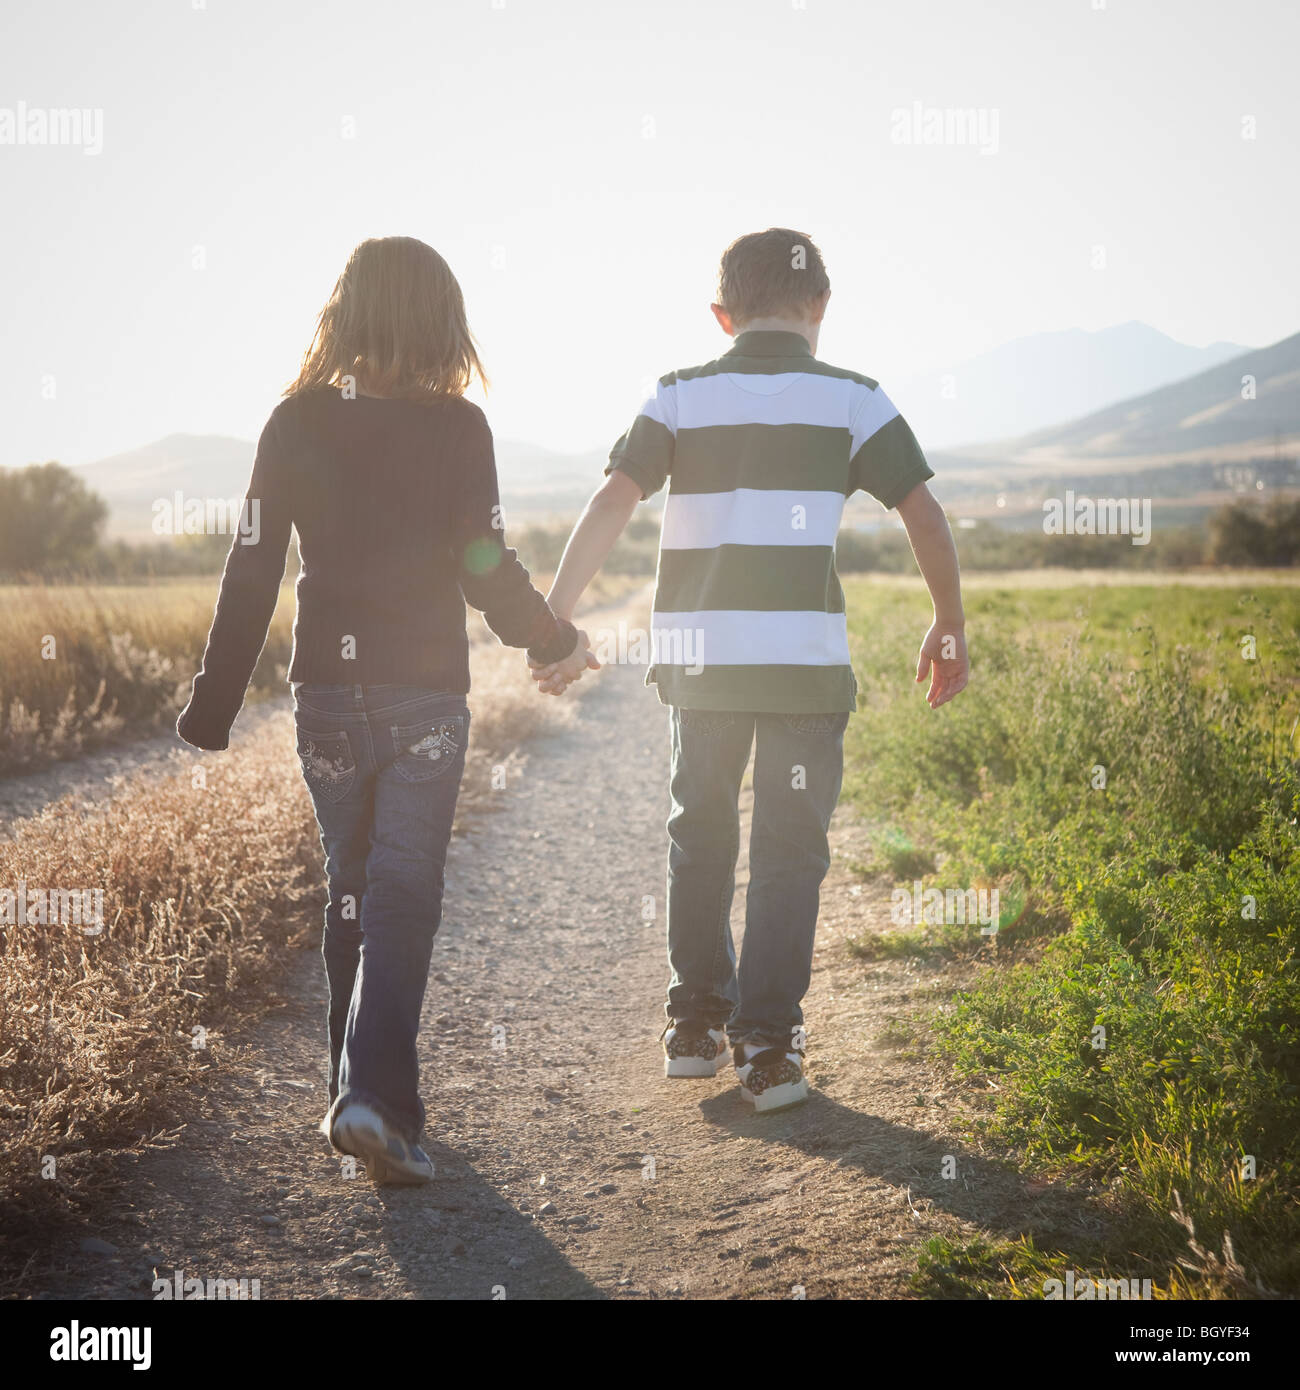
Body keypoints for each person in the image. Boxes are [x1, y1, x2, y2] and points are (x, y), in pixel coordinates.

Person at [176, 236, 595, 1181]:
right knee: (400, 889)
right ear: (443, 321)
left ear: (345, 313)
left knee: (355, 888)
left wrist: (213, 703)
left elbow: (252, 568)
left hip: (325, 698)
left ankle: (359, 1098)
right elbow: (484, 568)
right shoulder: (458, 430)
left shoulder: (295, 422)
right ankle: (373, 1101)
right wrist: (554, 639)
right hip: (424, 700)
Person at [529, 228, 969, 1111]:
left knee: (698, 833)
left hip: (704, 669)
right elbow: (923, 509)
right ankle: (769, 1046)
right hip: (804, 671)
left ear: (723, 315)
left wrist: (557, 618)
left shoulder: (680, 396)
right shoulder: (855, 399)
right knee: (789, 850)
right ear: (821, 308)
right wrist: (947, 622)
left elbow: (613, 496)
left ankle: (693, 1023)